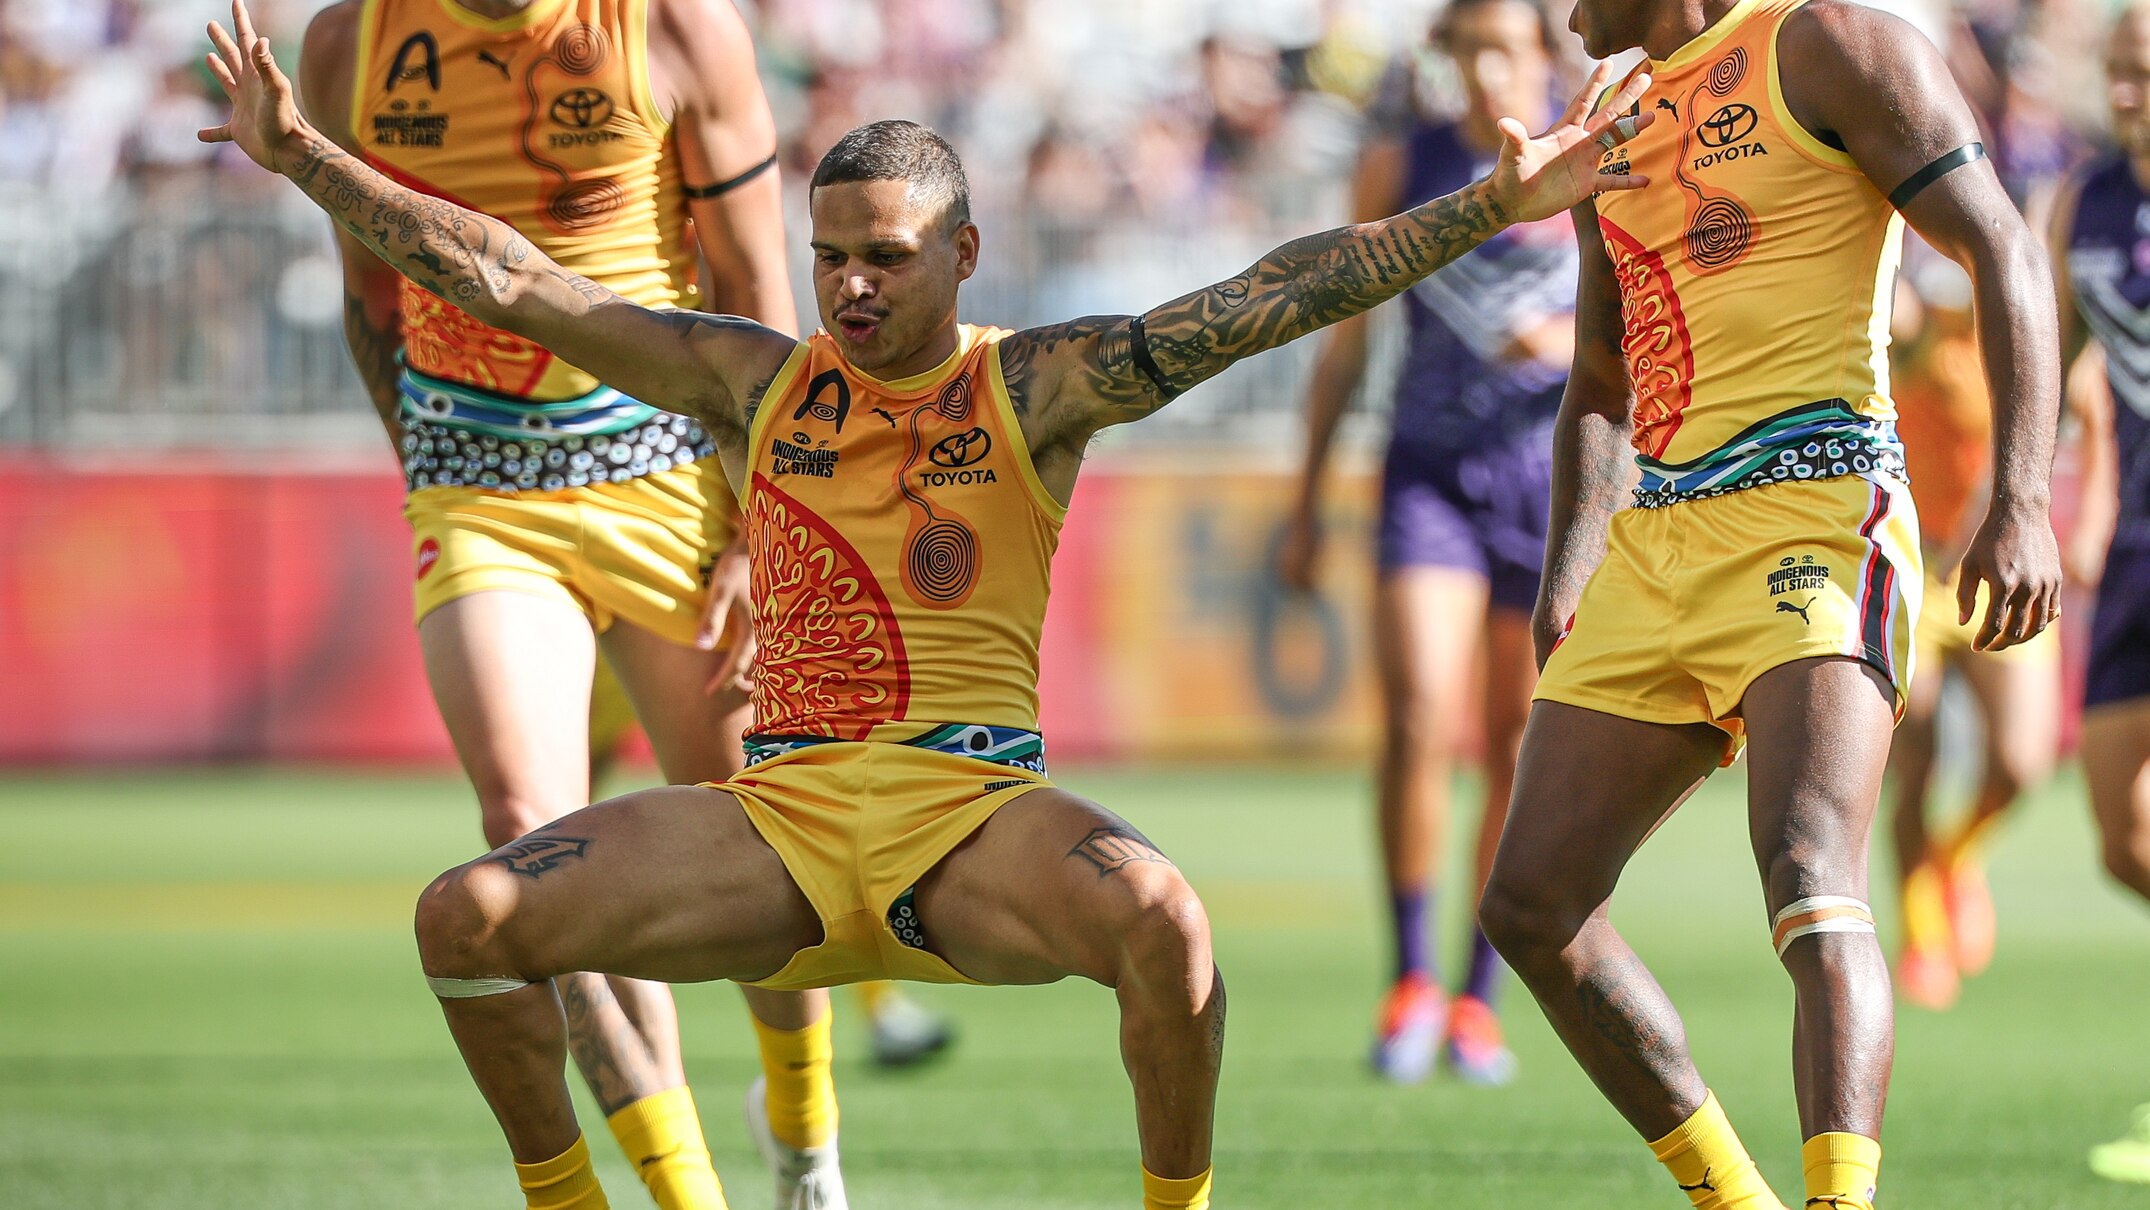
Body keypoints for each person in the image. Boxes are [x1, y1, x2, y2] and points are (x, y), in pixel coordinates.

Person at [199, 4, 1656, 1204]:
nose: (845, 285)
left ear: (962, 253)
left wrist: (1491, 203)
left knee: (1165, 921)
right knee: (467, 914)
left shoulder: (1038, 384)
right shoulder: (747, 377)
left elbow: (1278, 288)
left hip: (971, 819)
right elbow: (506, 273)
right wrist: (302, 158)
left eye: (884, 257)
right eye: (829, 253)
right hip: (775, 822)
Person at [1472, 0, 2063, 1205]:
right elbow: (1598, 370)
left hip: (1815, 514)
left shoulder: (1832, 45)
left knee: (1807, 872)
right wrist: (1568, 562)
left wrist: (2020, 500)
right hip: (1652, 543)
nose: (1561, 11)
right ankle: (1735, 1199)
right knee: (1530, 905)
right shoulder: (1606, 117)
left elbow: (2000, 246)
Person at [295, 0, 845, 1204]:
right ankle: (680, 1191)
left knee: (768, 844)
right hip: (480, 486)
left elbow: (756, 289)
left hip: (670, 479)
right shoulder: (354, 40)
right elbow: (370, 298)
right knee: (532, 835)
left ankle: (805, 1138)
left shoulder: (679, 28)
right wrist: (432, 466)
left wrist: (771, 534)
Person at [1280, 0, 1574, 1087]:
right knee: (1414, 717)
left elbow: (1658, 324)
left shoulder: (1595, 162)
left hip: (1548, 487)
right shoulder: (1401, 171)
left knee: (1511, 744)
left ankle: (1475, 999)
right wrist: (1305, 499)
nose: (1487, 70)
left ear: (1546, 57)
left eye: (1506, 48)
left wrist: (1566, 341)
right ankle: (1406, 978)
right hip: (1424, 476)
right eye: (1467, 50)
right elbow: (1341, 347)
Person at [586, 668, 958, 1067]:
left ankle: (872, 1016)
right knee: (544, 816)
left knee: (768, 817)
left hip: (676, 626)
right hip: (593, 631)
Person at [1885, 244, 2060, 1012]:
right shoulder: (1922, 335)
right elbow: (1900, 319)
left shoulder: (2021, 340)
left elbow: (2083, 401)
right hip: (1914, 569)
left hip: (1996, 566)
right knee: (1915, 754)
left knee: (2020, 764)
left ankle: (1955, 859)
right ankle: (1921, 933)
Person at [2058, 2, 2150, 1185]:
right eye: (2118, 69)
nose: (2126, 87)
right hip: (2131, 545)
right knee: (2120, 833)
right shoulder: (2078, 202)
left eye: (2145, 71)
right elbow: (2043, 346)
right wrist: (2021, 494)